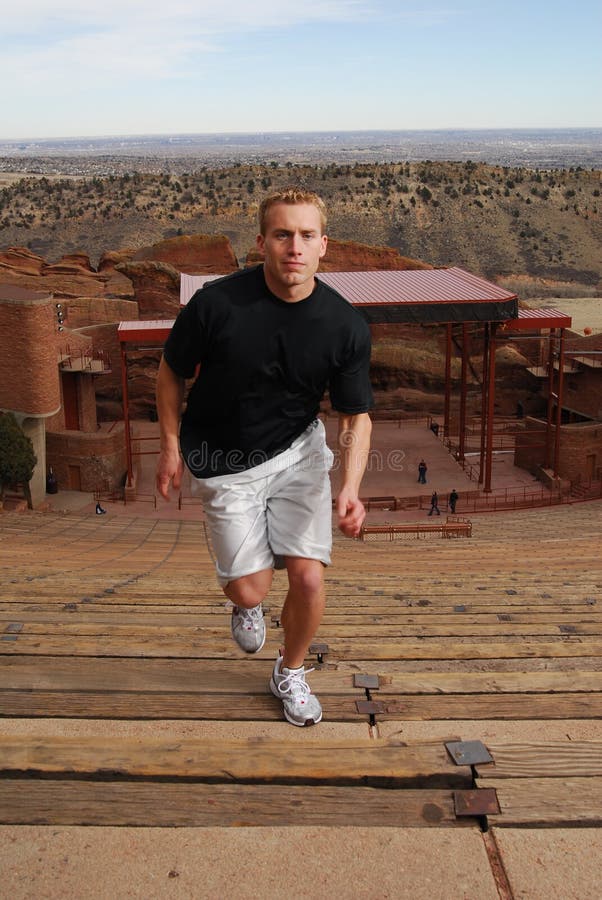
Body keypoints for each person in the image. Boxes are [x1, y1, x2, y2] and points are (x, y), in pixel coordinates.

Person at [155, 188, 373, 727]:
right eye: (282, 235)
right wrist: (170, 446)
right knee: (251, 586)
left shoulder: (344, 326)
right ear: (262, 243)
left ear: (324, 246)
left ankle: (289, 670)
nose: (293, 248)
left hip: (298, 452)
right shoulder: (216, 304)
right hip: (221, 458)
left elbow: (355, 417)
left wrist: (350, 487)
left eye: (305, 236)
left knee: (308, 577)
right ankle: (246, 602)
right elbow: (169, 371)